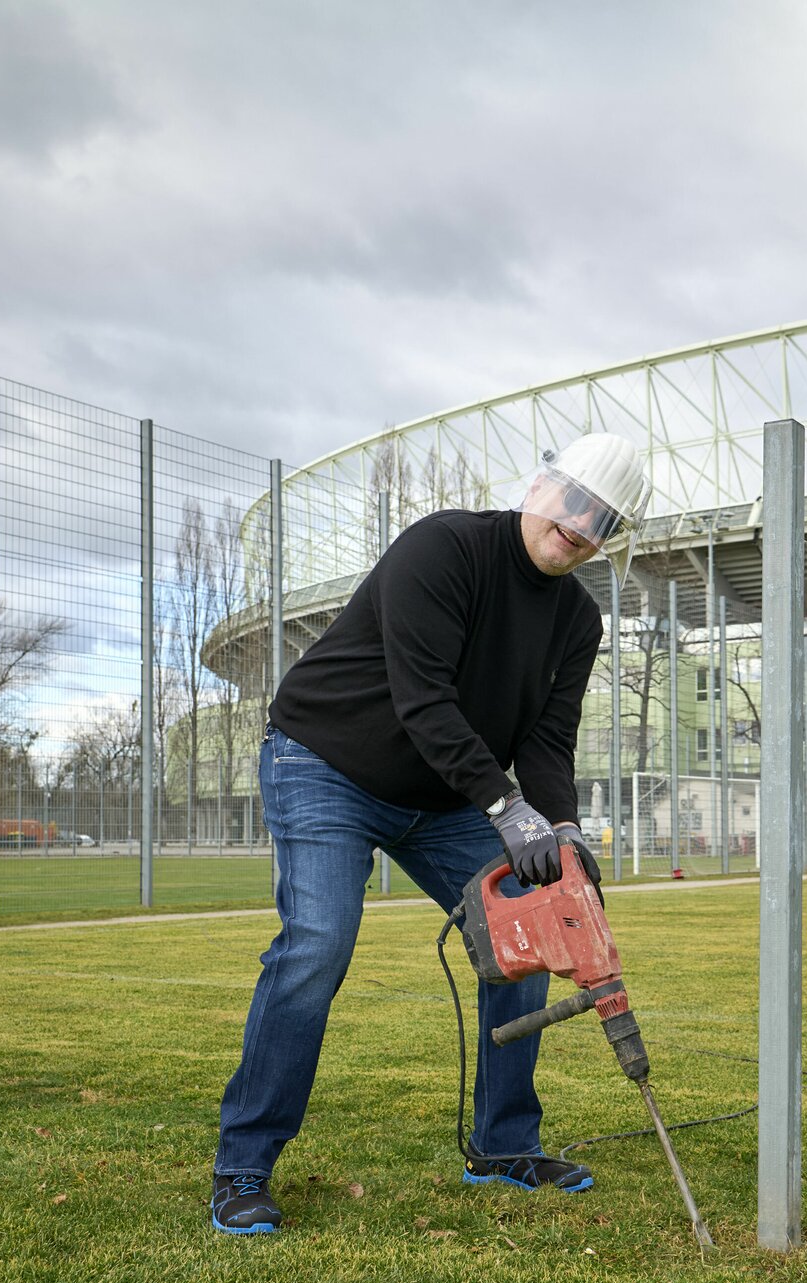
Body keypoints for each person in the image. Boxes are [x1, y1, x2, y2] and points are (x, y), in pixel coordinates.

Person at [209, 433, 650, 1235]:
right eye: (574, 499)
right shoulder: (443, 548)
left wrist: (561, 827)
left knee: (530, 921)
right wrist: (504, 806)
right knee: (319, 942)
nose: (580, 525)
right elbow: (424, 700)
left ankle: (503, 1144)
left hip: (443, 794)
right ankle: (243, 1164)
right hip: (325, 761)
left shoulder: (577, 619)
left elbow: (548, 741)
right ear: (541, 482)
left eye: (603, 520)